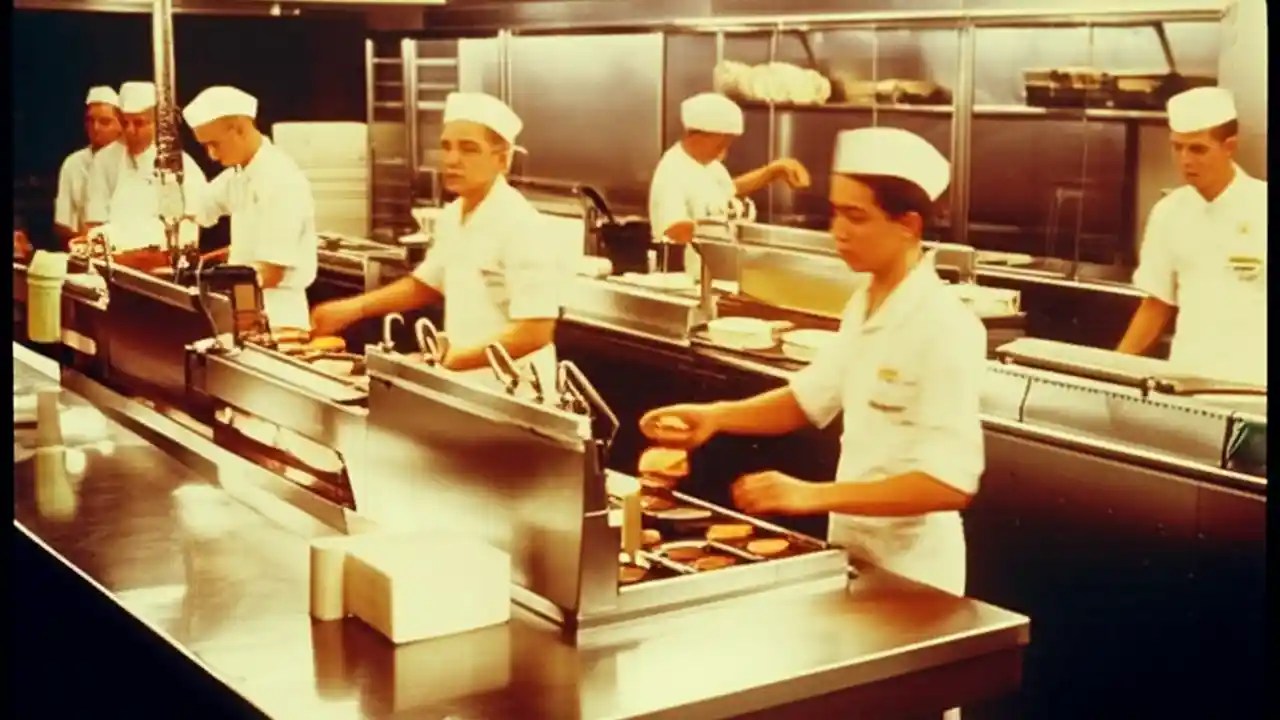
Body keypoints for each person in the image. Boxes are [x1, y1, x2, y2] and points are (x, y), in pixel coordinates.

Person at [641, 127, 985, 599]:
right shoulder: (864, 304)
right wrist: (716, 417)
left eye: (856, 216)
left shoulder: (944, 326)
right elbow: (807, 399)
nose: (837, 231)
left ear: (909, 224)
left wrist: (809, 494)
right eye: (835, 213)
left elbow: (949, 484)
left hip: (916, 574)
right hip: (853, 552)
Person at [310, 91, 562, 388]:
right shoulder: (454, 216)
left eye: (469, 149)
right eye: (447, 147)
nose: (452, 159)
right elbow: (427, 283)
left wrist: (454, 361)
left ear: (502, 159)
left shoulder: (521, 225)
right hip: (464, 384)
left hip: (517, 391)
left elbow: (536, 331)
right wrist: (353, 308)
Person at [1116, 87, 1267, 387]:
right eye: (1177, 147)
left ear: (1229, 146)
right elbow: (1156, 306)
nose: (1185, 159)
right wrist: (1112, 371)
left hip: (1255, 386)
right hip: (1186, 383)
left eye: (1198, 149)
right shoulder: (1169, 212)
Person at [183, 85, 319, 332]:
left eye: (214, 144)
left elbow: (271, 272)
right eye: (205, 147)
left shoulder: (280, 179)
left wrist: (208, 282)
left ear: (239, 129)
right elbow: (200, 209)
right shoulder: (239, 174)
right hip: (242, 307)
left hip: (277, 318)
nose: (211, 156)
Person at [648, 91, 810, 274]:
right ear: (697, 135)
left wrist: (772, 171)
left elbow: (729, 189)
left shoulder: (711, 166)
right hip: (691, 281)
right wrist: (728, 232)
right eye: (720, 143)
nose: (724, 150)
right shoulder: (672, 170)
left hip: (724, 276)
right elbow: (674, 231)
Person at [81, 81, 208, 251]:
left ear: (157, 123)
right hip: (114, 263)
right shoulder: (105, 161)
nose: (131, 131)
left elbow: (190, 229)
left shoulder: (182, 165)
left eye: (139, 123)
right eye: (125, 123)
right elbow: (95, 222)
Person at [53, 86, 122, 243]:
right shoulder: (73, 164)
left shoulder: (130, 162)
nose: (95, 128)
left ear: (121, 125)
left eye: (104, 122)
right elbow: (63, 224)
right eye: (90, 121)